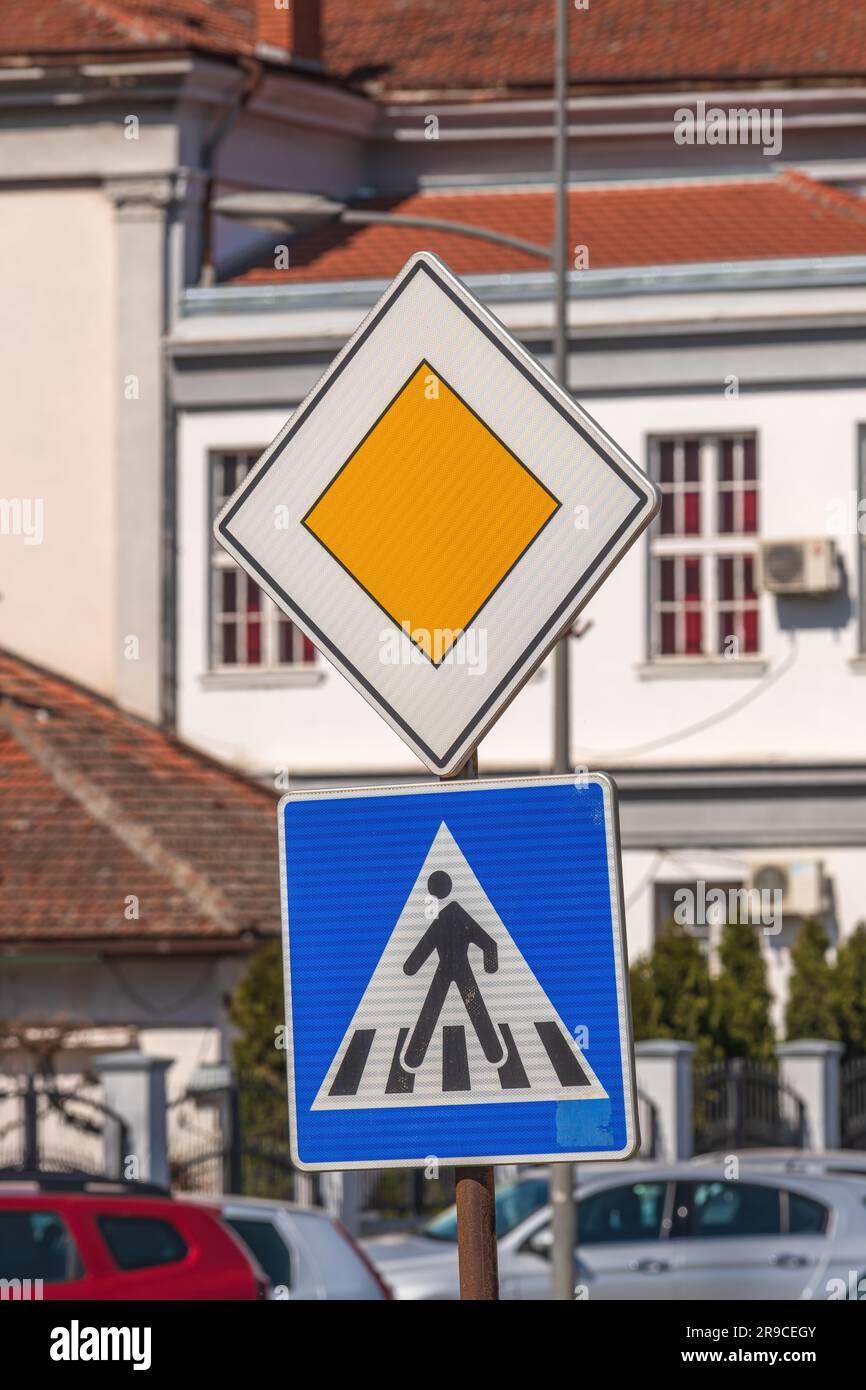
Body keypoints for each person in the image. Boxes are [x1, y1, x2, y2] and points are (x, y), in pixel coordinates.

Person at [402, 870, 503, 1069]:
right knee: (473, 1010)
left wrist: (411, 967)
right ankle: (494, 1053)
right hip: (458, 969)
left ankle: (414, 1057)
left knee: (431, 1011)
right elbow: (488, 943)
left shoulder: (447, 918)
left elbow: (424, 947)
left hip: (448, 968)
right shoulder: (455, 917)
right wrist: (490, 967)